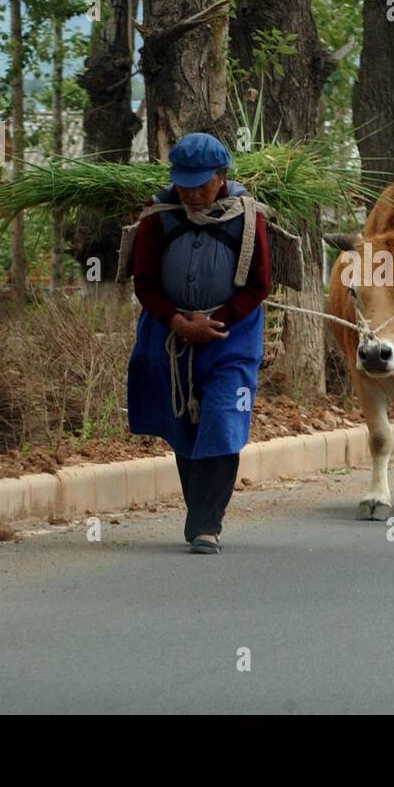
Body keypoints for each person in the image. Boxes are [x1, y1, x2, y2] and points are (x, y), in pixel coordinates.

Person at [127, 132, 271, 554]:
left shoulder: (247, 217)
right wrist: (178, 322)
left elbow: (259, 284)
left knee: (223, 421)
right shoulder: (157, 215)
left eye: (200, 184)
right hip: (168, 334)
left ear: (220, 177)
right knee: (182, 423)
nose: (190, 194)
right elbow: (145, 282)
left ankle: (207, 524)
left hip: (232, 337)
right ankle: (201, 512)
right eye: (183, 183)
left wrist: (214, 320)